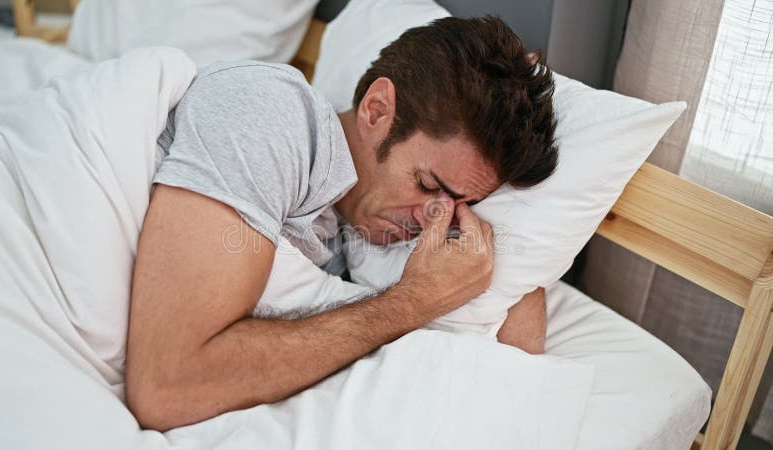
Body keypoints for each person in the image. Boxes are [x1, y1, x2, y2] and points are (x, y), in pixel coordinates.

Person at [125, 15, 558, 431]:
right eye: (427, 185)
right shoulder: (274, 112)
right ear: (376, 110)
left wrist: (523, 255)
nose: (434, 218)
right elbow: (167, 386)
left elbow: (510, 381)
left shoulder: (346, 237)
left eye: (461, 205)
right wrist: (414, 301)